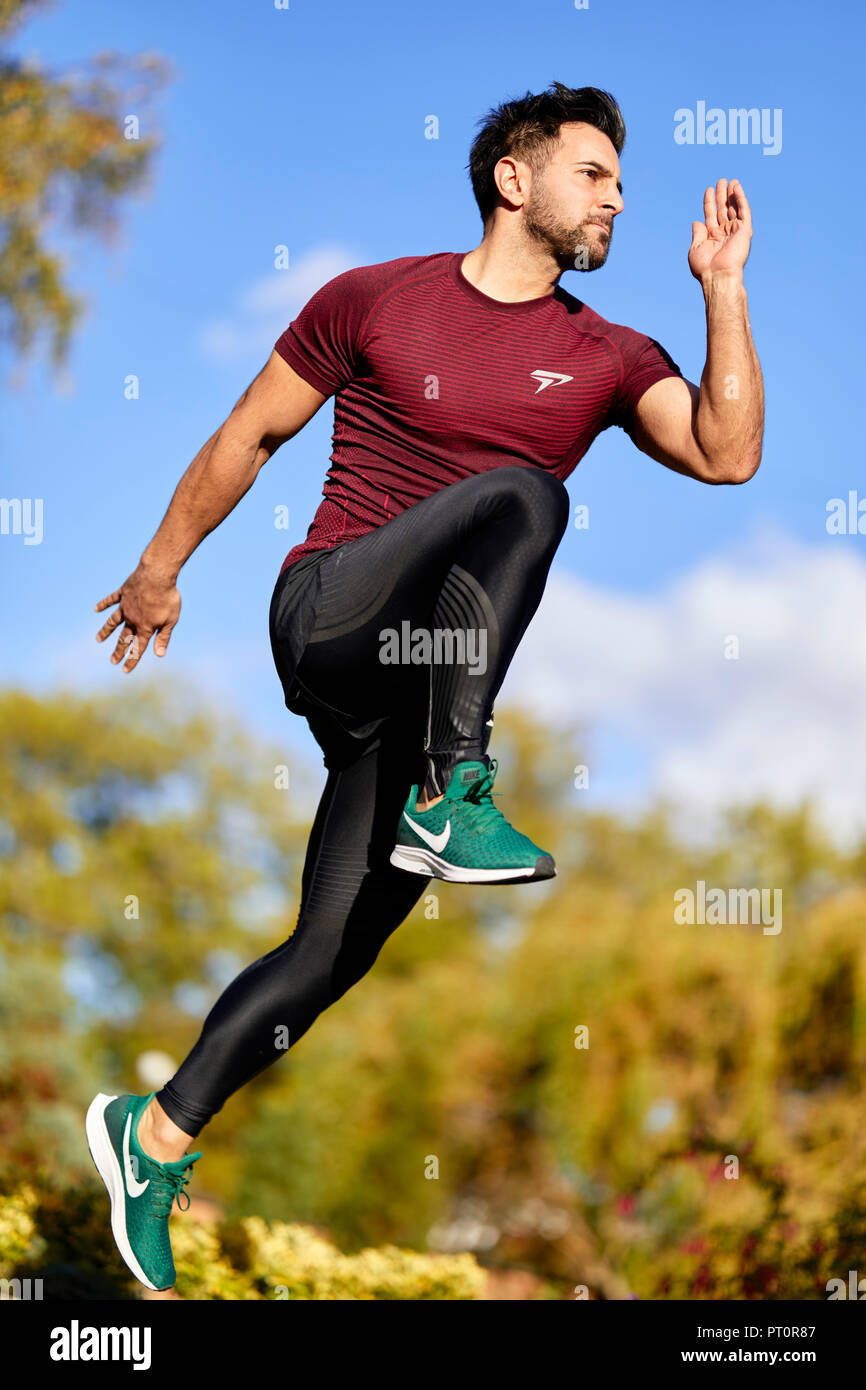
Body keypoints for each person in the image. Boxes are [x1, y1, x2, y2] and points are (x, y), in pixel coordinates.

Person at [85, 82, 763, 1291]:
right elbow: (250, 432)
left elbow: (727, 454)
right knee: (524, 494)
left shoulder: (609, 354)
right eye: (594, 172)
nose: (617, 194)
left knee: (332, 950)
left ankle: (156, 1132)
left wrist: (720, 290)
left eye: (620, 178)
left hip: (412, 695)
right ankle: (457, 787)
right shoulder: (372, 298)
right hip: (332, 612)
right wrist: (158, 568)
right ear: (515, 178)